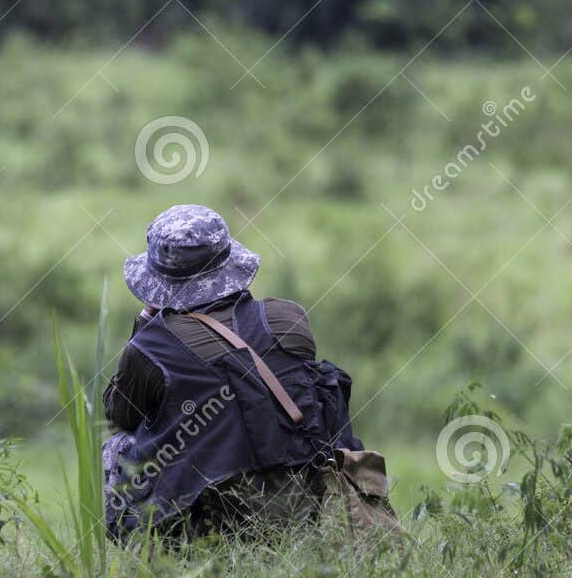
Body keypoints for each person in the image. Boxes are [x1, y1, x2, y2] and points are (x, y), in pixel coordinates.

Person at [102, 204, 399, 542]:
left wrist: (145, 321)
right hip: (303, 503)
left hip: (205, 517)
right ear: (228, 264)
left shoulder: (151, 346)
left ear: (158, 283)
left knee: (118, 446)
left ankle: (152, 555)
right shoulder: (289, 318)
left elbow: (120, 415)